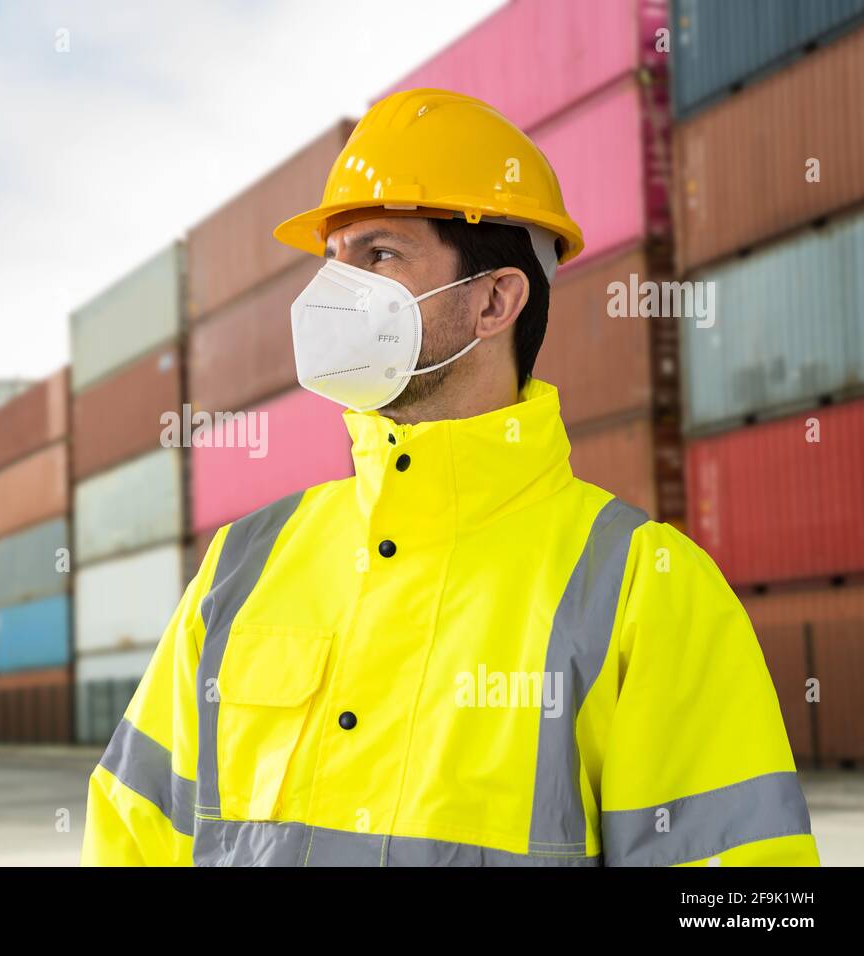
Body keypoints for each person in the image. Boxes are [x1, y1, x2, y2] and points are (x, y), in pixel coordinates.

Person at [80, 89, 819, 866]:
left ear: (495, 299)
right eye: (334, 260)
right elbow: (131, 834)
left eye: (380, 255)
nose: (334, 294)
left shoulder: (646, 589)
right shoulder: (240, 566)